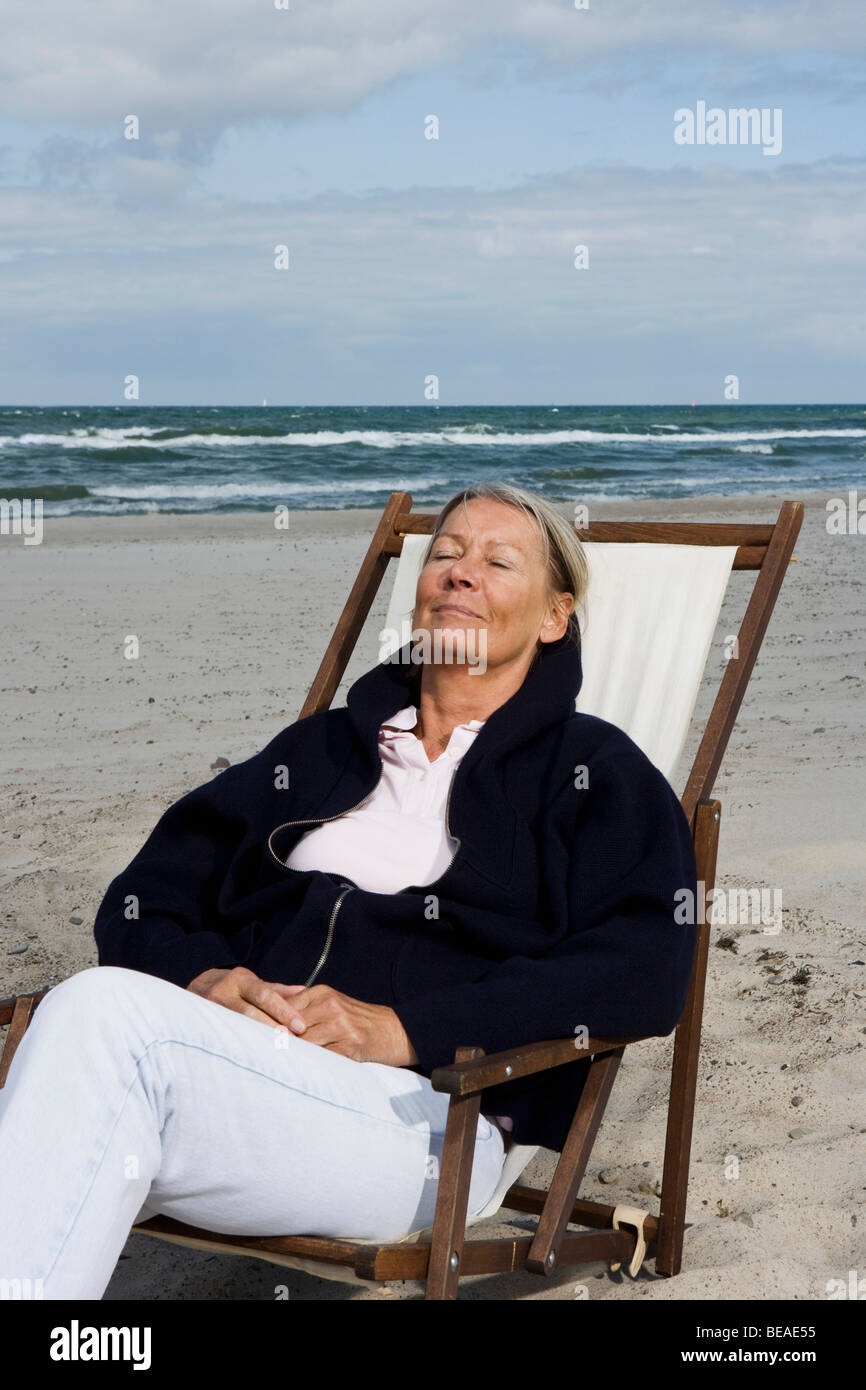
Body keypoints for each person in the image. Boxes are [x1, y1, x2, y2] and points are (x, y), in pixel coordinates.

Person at [0, 483, 698, 1300]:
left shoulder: (593, 773)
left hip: (428, 1118)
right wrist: (205, 981)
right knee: (89, 1039)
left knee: (94, 1020)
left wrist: (408, 1029)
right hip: (236, 1070)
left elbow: (646, 966)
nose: (459, 574)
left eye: (497, 562)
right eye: (444, 554)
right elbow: (140, 900)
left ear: (554, 617)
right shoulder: (323, 747)